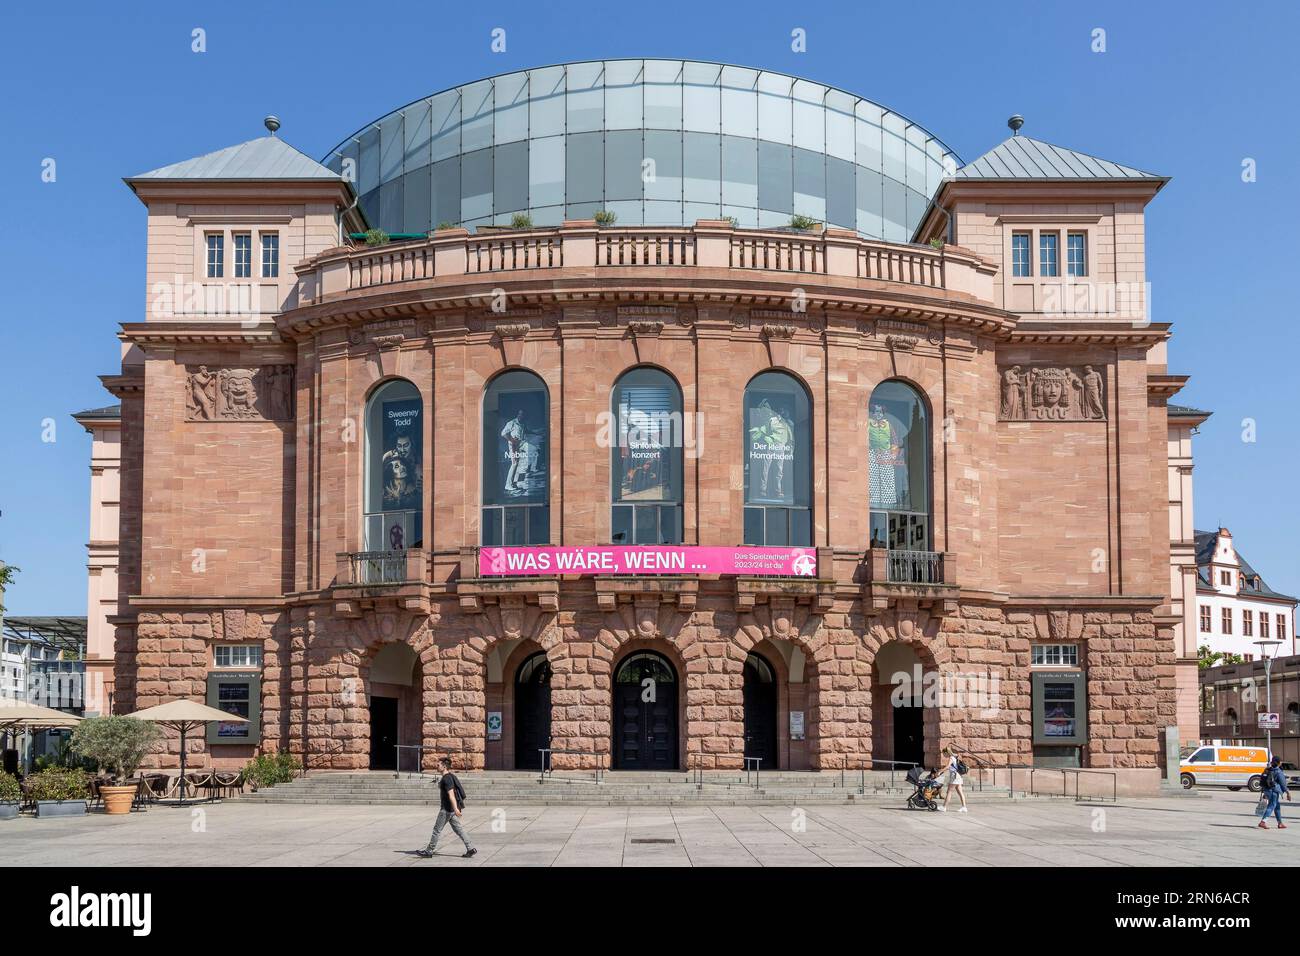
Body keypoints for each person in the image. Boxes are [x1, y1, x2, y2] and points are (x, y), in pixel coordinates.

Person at [417, 757, 478, 858]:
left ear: (444, 766)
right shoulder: (450, 776)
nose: (436, 766)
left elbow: (451, 795)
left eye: (438, 765)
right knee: (459, 830)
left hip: (446, 810)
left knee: (437, 830)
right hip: (451, 810)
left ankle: (429, 851)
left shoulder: (446, 779)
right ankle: (471, 848)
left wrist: (455, 809)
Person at [1257, 755, 1290, 830]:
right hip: (1273, 791)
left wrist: (1264, 792)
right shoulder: (1278, 771)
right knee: (1272, 805)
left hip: (1266, 790)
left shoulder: (1268, 769)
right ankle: (1263, 822)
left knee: (1277, 806)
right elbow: (1283, 784)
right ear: (1279, 763)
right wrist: (1288, 793)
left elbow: (1263, 779)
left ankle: (1280, 823)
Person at [935, 745, 968, 813]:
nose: (944, 755)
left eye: (944, 754)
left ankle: (944, 807)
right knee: (960, 792)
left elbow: (947, 767)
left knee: (949, 792)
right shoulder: (955, 757)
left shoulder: (951, 758)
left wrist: (939, 772)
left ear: (946, 753)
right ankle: (964, 807)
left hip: (954, 776)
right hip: (958, 776)